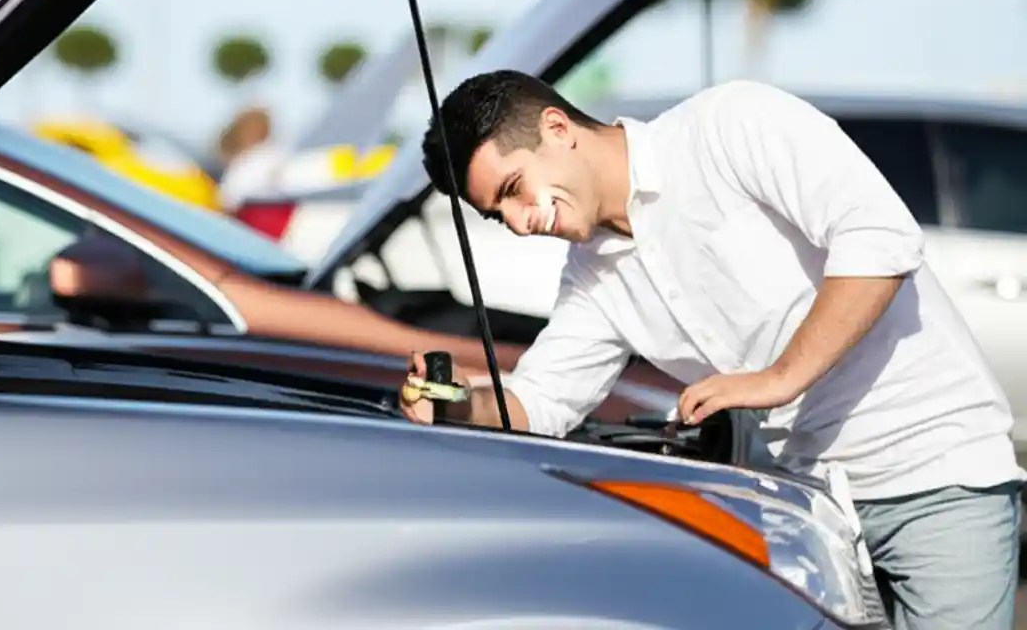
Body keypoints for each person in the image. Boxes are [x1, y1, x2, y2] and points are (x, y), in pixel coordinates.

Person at [401, 69, 1024, 629]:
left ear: (558, 128)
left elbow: (880, 236)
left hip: (936, 476)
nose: (518, 221)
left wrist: (779, 377)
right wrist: (454, 403)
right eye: (497, 214)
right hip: (814, 516)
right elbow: (539, 403)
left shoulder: (730, 125)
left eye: (514, 188)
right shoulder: (590, 276)